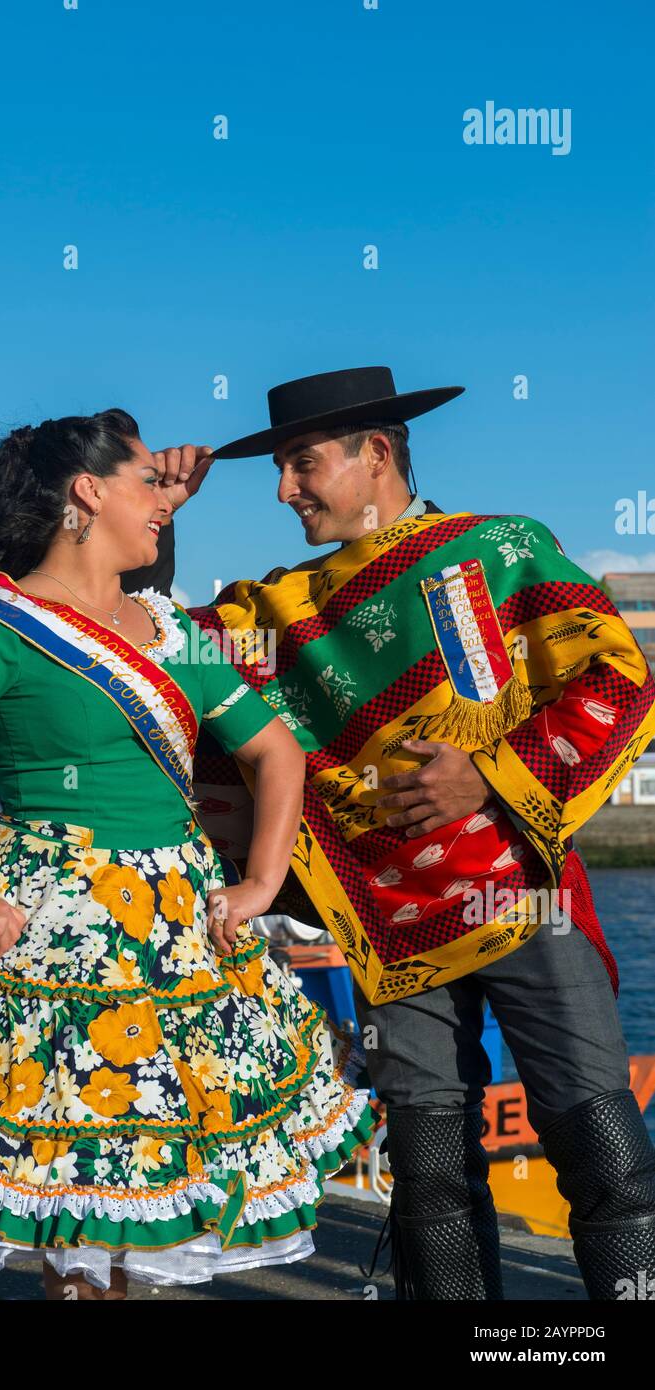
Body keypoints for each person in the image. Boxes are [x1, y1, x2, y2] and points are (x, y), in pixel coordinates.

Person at [0, 410, 375, 1299]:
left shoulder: (171, 628)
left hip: (178, 930)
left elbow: (275, 751)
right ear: (87, 491)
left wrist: (261, 881)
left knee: (148, 1189)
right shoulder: (1, 622)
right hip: (55, 930)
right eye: (148, 484)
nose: (166, 502)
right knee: (73, 1188)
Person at [144, 366, 655, 1301]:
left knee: (605, 1158)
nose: (283, 489)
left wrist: (490, 771)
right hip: (385, 921)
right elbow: (160, 663)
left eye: (302, 464)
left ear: (375, 453)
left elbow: (617, 679)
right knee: (426, 1179)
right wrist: (161, 525)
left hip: (521, 895)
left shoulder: (500, 552)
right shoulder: (271, 614)